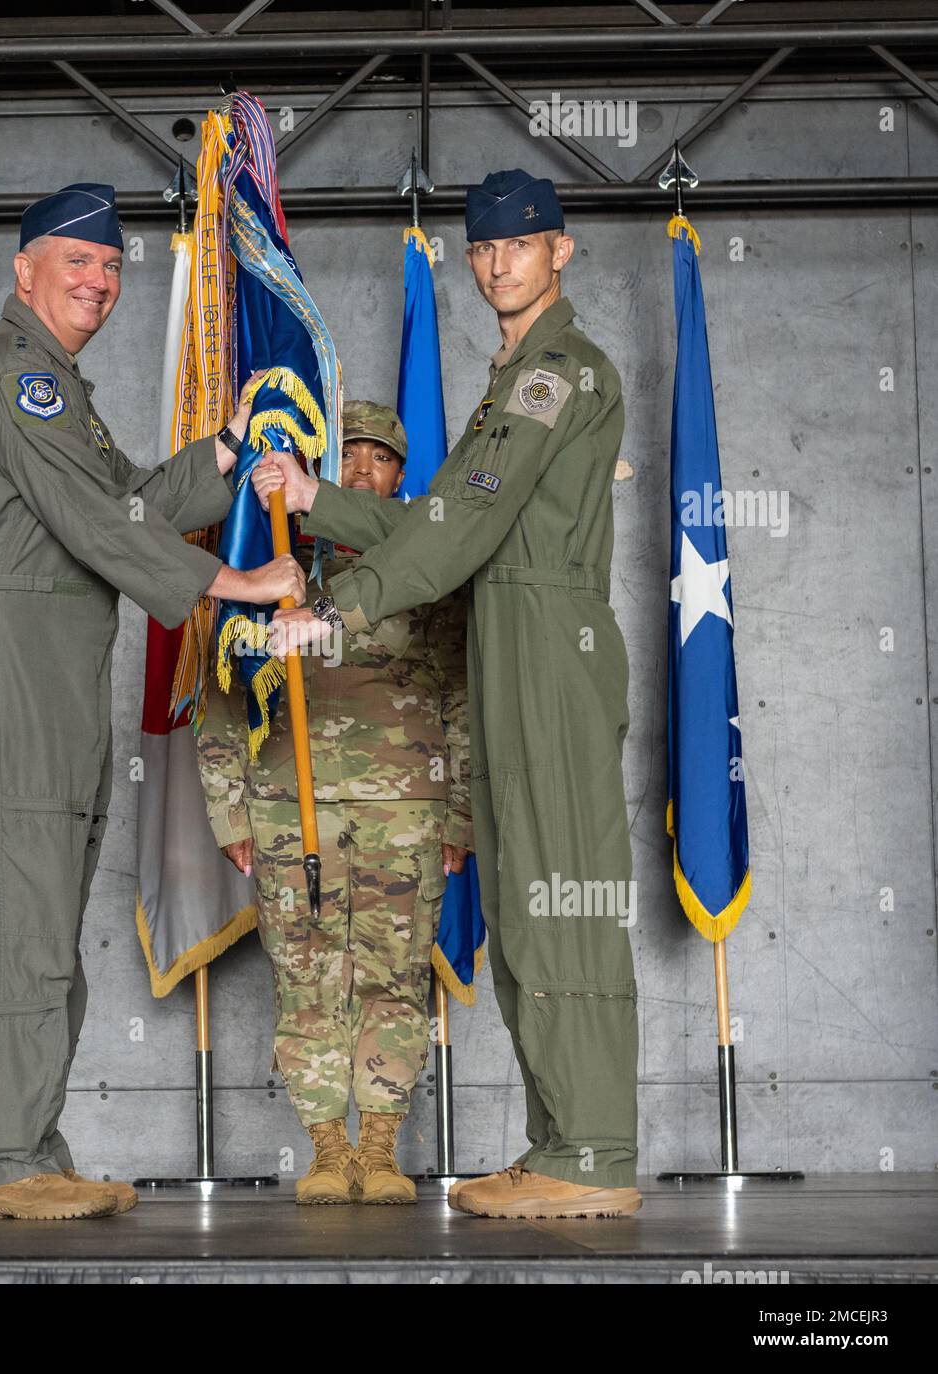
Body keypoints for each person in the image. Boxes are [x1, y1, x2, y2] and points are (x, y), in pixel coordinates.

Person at [0, 182, 303, 1221]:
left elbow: (126, 502)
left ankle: (29, 1144)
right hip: (4, 683)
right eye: (77, 263)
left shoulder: (56, 389)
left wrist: (223, 448)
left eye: (114, 268)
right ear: (24, 270)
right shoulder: (10, 381)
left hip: (42, 678)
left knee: (39, 918)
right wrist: (239, 584)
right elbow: (103, 529)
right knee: (12, 920)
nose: (99, 282)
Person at [253, 169, 641, 1220]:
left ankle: (596, 1152)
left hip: (548, 650)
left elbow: (459, 530)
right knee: (526, 913)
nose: (495, 263)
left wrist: (340, 609)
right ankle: (561, 1142)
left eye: (518, 245)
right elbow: (443, 521)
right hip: (510, 645)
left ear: (561, 252)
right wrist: (318, 500)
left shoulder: (553, 375)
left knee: (566, 905)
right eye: (480, 249)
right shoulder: (508, 378)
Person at [200, 400, 473, 1205]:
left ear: (401, 473)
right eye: (346, 458)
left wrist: (460, 813)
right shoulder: (274, 563)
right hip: (292, 806)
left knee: (394, 979)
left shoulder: (432, 565)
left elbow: (463, 694)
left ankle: (381, 1147)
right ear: (318, 470)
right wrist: (230, 806)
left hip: (406, 813)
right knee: (306, 978)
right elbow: (222, 688)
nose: (361, 472)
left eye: (379, 460)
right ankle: (326, 1148)